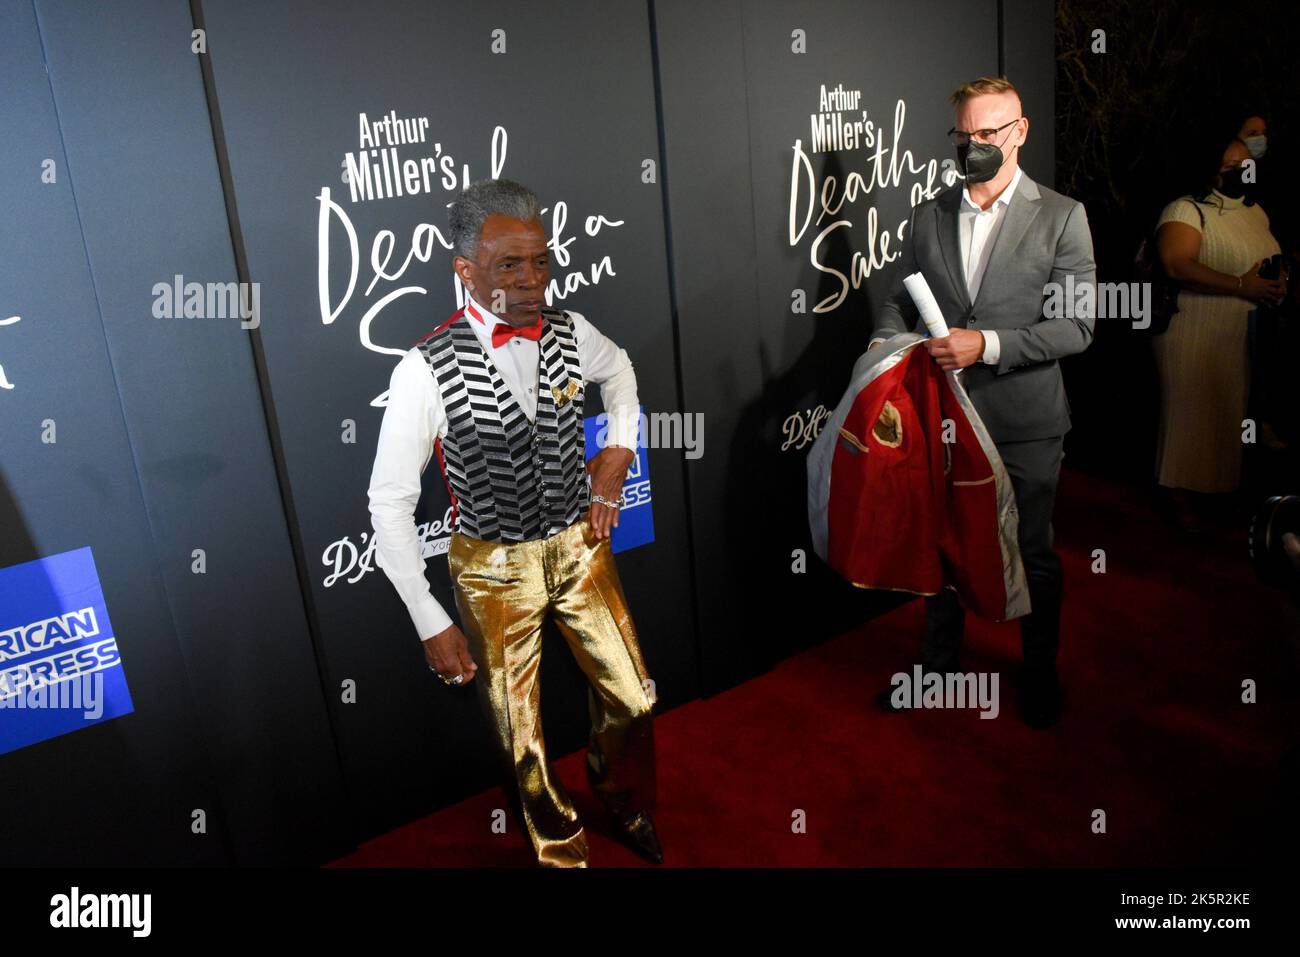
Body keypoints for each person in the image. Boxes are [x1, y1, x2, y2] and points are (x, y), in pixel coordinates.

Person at [367, 178, 661, 867]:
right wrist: (427, 616)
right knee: (517, 736)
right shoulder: (424, 369)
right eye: (510, 265)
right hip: (492, 569)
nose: (533, 281)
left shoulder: (571, 329)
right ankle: (558, 844)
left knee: (636, 699)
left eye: (542, 261)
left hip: (578, 546)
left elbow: (620, 374)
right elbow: (388, 500)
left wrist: (616, 452)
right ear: (464, 270)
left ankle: (622, 795)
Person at [869, 76, 1096, 729]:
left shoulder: (1062, 217)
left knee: (1031, 549)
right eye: (963, 137)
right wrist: (883, 346)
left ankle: (1040, 671)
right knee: (941, 548)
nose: (974, 147)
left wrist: (986, 344)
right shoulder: (928, 215)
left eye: (988, 135)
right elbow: (900, 300)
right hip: (943, 420)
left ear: (1020, 131)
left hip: (1025, 423)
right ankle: (938, 668)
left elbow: (1077, 326)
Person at [1154, 132, 1285, 526]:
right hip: (1193, 330)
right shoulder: (1185, 210)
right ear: (1210, 171)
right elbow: (1177, 264)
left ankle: (1221, 498)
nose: (1242, 171)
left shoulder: (1255, 211)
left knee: (1229, 418)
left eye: (1246, 164)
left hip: (1242, 331)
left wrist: (1274, 287)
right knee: (1191, 416)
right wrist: (1243, 285)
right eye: (1232, 166)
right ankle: (1179, 502)